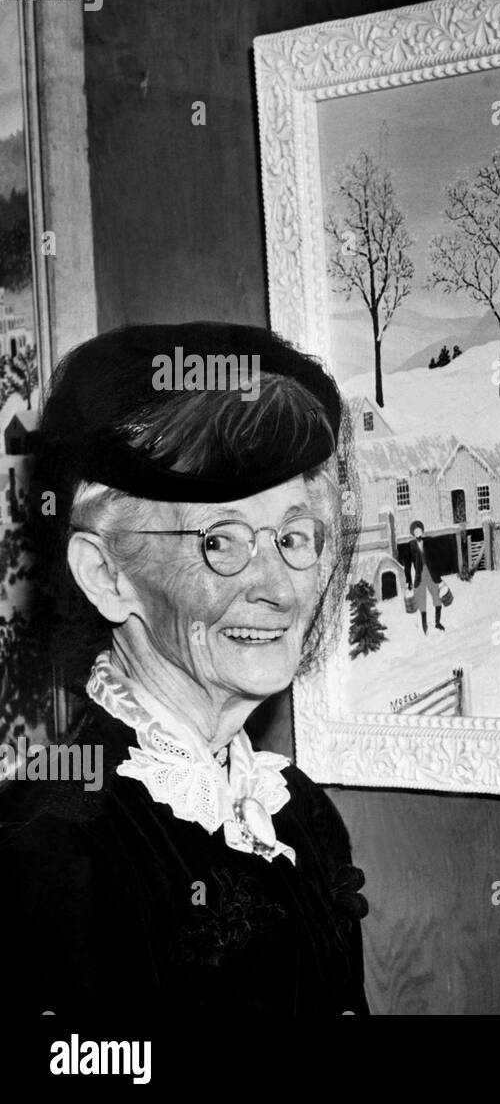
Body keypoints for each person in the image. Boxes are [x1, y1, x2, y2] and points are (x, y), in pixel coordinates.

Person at [0, 322, 369, 1014]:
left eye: (292, 536)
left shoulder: (298, 811)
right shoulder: (48, 852)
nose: (279, 587)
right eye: (221, 540)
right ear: (108, 574)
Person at [398, 520, 444, 632]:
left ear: (422, 531)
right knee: (421, 600)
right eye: (415, 531)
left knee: (437, 597)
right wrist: (408, 580)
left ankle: (438, 622)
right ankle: (424, 625)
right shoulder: (410, 546)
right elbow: (407, 565)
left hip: (431, 574)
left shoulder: (429, 542)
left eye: (420, 530)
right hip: (419, 576)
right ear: (413, 533)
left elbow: (436, 558)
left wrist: (438, 573)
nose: (418, 532)